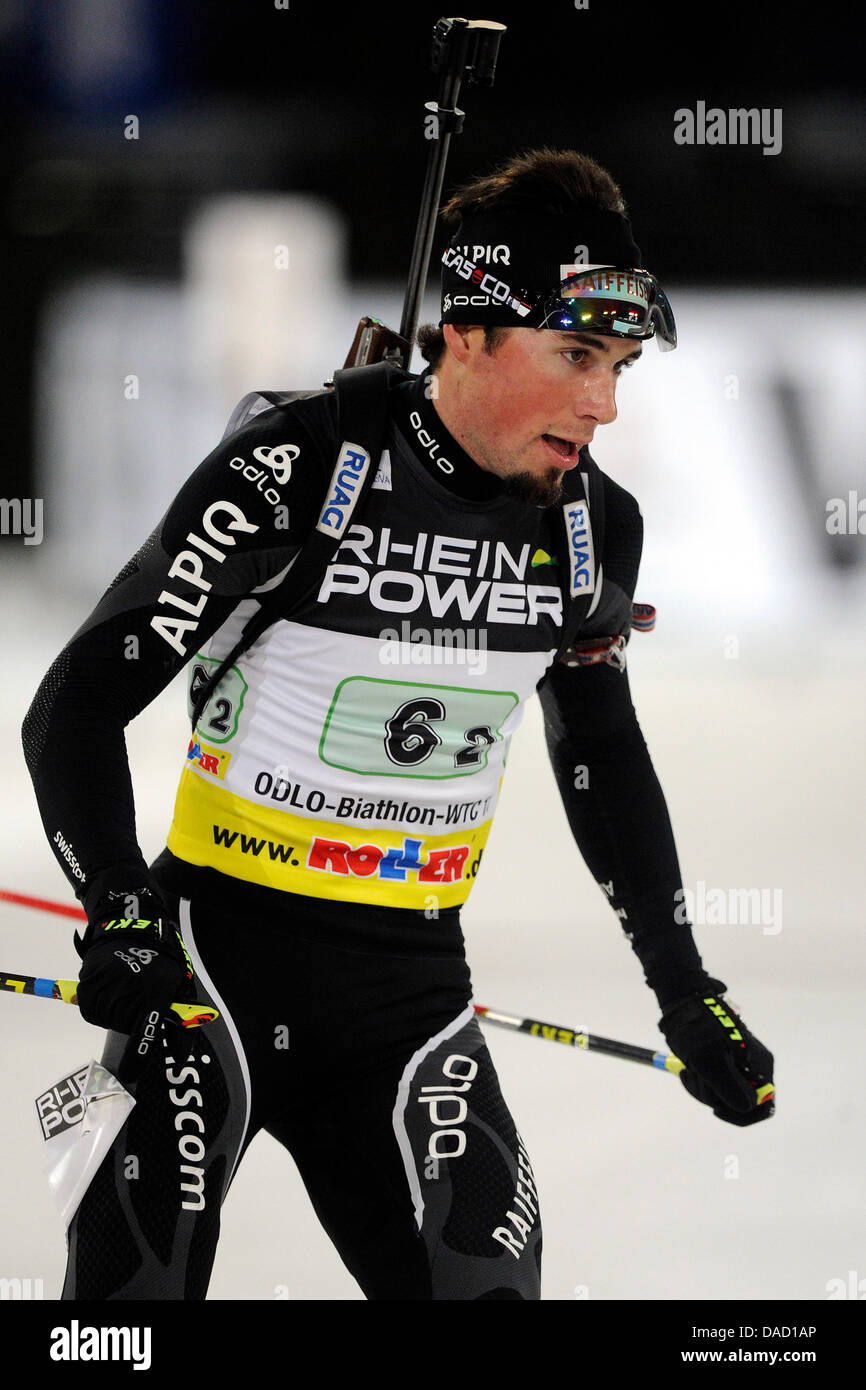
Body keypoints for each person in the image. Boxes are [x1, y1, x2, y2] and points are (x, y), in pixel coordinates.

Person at [21, 147, 774, 1302]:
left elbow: (602, 756)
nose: (602, 401)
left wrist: (683, 983)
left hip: (412, 993)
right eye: (575, 356)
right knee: (123, 1319)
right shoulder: (296, 466)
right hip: (207, 969)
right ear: (468, 331)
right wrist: (120, 910)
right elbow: (76, 703)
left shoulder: (588, 526)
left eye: (619, 366)